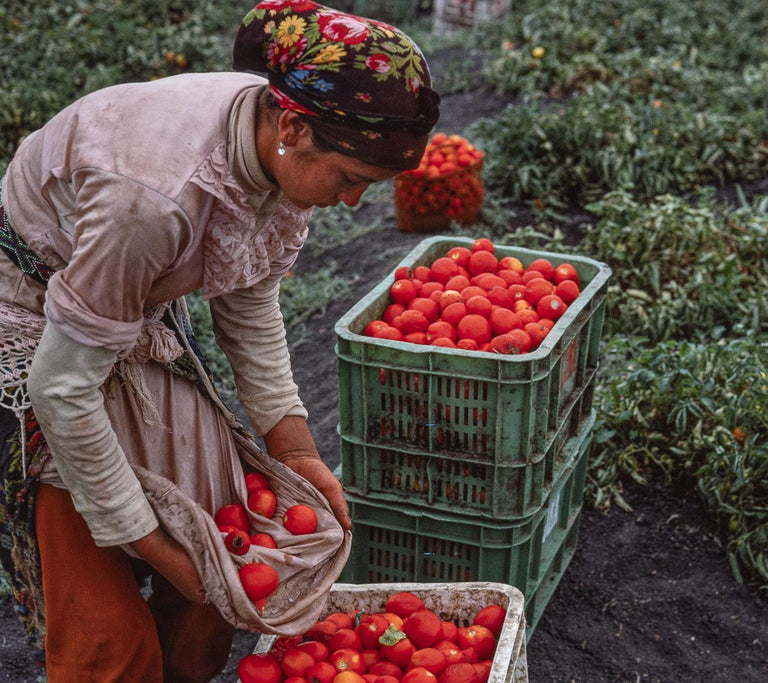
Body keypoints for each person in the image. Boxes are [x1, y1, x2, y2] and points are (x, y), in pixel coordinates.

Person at [0, 1, 440, 680]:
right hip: (34, 337)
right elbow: (60, 387)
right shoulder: (151, 198)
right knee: (109, 634)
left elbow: (248, 294)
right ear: (293, 125)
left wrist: (293, 445)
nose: (351, 202)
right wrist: (148, 539)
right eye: (351, 180)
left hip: (119, 318)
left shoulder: (278, 150)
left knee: (216, 577)